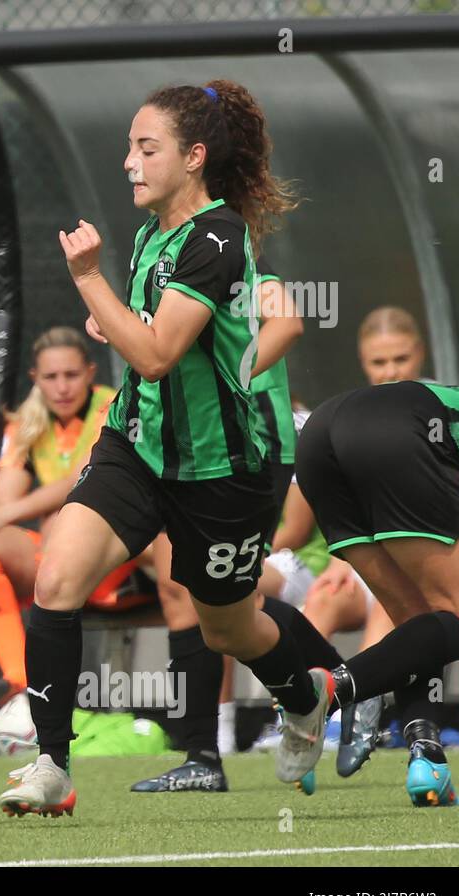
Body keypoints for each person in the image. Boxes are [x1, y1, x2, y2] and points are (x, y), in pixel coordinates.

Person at [0, 79, 343, 818]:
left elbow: (155, 353)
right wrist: (112, 315)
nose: (129, 161)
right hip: (138, 446)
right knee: (57, 578)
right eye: (129, 146)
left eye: (145, 147)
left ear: (193, 157)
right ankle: (52, 764)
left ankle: (304, 693)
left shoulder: (218, 238)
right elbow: (149, 351)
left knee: (229, 624)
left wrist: (89, 281)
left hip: (223, 471)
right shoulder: (154, 232)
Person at [129, 261, 304, 794]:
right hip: (183, 444)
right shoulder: (154, 252)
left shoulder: (233, 249)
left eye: (143, 168)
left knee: (231, 600)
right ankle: (204, 750)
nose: (134, 172)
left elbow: (287, 321)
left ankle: (332, 693)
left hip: (250, 446)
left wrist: (233, 375)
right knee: (184, 588)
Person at [294, 380, 459, 806]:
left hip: (320, 431)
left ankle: (427, 756)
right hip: (396, 428)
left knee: (421, 626)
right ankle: (334, 688)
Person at [0, 328, 114, 708]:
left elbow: (79, 479)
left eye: (72, 375)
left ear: (91, 373)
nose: (62, 387)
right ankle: (19, 679)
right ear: (35, 379)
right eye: (51, 377)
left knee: (48, 529)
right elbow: (1, 495)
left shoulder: (112, 406)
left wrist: (1, 516)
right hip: (56, 558)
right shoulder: (28, 421)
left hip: (113, 559)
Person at [298, 307, 424, 772]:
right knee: (322, 600)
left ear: (421, 354)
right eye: (379, 362)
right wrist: (345, 558)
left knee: (393, 605)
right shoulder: (347, 419)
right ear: (362, 363)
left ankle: (363, 710)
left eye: (400, 359)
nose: (390, 371)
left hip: (423, 570)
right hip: (363, 565)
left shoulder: (440, 409)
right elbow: (336, 511)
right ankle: (302, 720)